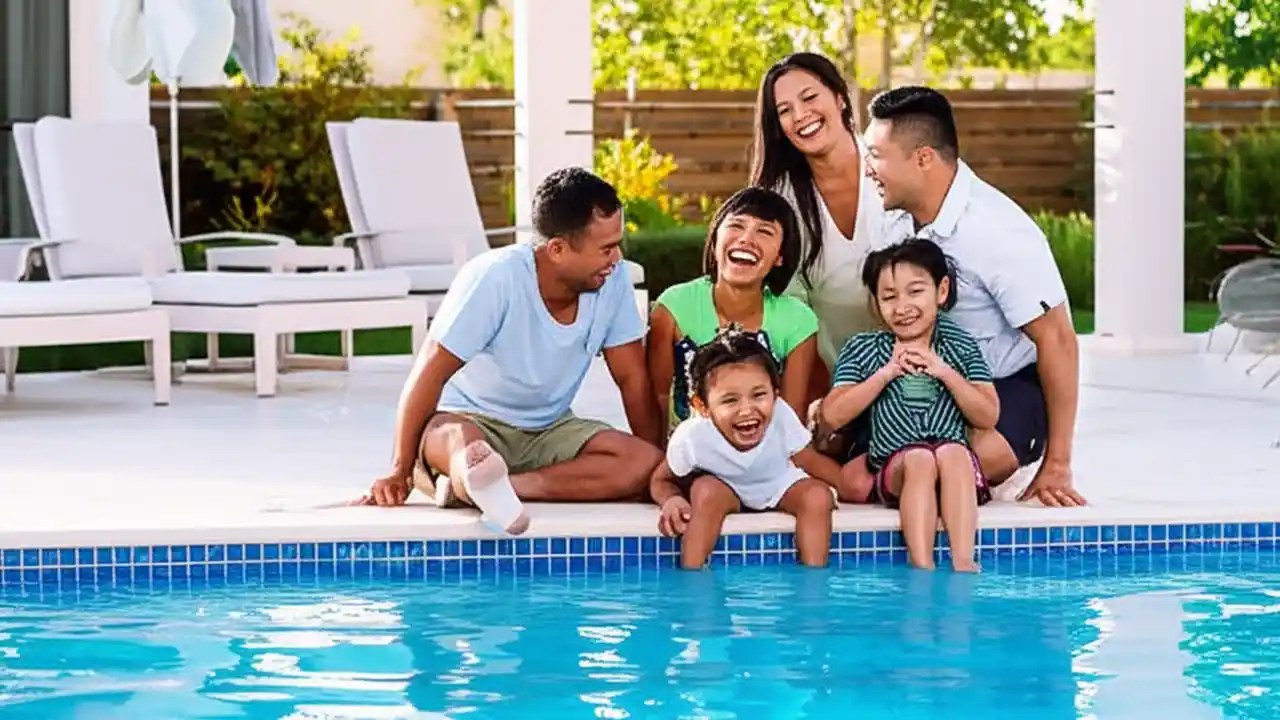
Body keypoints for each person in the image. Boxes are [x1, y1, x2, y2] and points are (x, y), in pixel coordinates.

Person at [363, 167, 663, 534]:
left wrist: (658, 473)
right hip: (470, 421)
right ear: (557, 249)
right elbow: (431, 370)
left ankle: (502, 487)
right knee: (462, 446)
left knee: (642, 461)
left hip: (550, 428)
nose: (616, 258)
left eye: (618, 244)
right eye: (606, 248)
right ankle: (478, 476)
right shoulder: (494, 278)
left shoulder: (612, 281)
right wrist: (399, 468)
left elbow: (632, 377)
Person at [862, 86, 1085, 508]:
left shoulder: (998, 230)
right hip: (924, 377)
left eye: (875, 155)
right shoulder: (892, 221)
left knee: (952, 470)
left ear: (923, 158)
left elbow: (1057, 338)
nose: (867, 169)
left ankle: (1022, 452)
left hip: (1008, 386)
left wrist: (1058, 463)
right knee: (878, 471)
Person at [749, 52, 887, 503]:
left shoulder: (889, 163)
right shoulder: (782, 201)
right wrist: (825, 416)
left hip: (912, 368)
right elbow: (792, 324)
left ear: (841, 99)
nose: (800, 116)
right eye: (784, 111)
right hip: (835, 386)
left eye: (809, 98)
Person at [818, 239, 996, 571]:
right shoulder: (864, 348)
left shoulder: (959, 345)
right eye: (889, 297)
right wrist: (886, 373)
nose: (902, 307)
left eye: (915, 292)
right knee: (918, 458)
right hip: (894, 464)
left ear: (941, 291)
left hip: (953, 463)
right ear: (876, 303)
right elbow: (832, 413)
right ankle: (922, 566)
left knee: (953, 452)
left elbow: (988, 414)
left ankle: (963, 561)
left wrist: (944, 371)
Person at [649, 327, 843, 569]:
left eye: (759, 395)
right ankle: (693, 583)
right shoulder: (692, 436)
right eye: (730, 400)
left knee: (818, 496)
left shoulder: (781, 415)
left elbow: (807, 459)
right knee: (705, 491)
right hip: (726, 489)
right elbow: (660, 479)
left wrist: (849, 488)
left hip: (777, 484)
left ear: (775, 394)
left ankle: (813, 588)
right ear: (702, 406)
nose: (747, 409)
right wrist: (672, 500)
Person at [646, 186, 819, 440]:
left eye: (764, 231)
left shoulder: (798, 321)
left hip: (764, 454)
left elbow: (790, 419)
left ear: (780, 256)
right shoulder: (673, 307)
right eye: (737, 225)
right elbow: (659, 396)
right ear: (715, 239)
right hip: (692, 455)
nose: (746, 239)